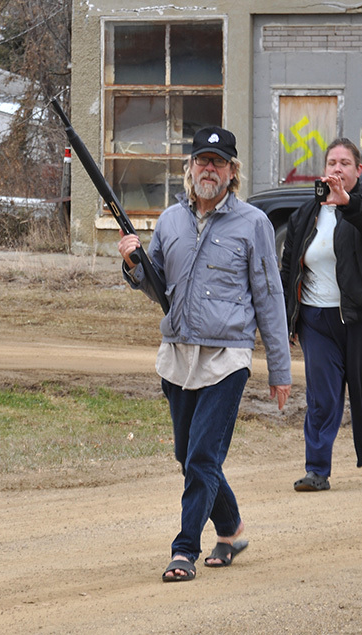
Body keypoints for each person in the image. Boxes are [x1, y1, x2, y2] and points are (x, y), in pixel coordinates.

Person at [118, 126, 292, 583]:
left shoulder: (253, 223)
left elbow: (270, 299)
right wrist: (133, 263)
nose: (208, 168)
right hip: (177, 354)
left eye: (218, 162)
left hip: (227, 358)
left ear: (232, 172)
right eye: (201, 160)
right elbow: (154, 287)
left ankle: (184, 550)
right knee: (188, 454)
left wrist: (279, 369)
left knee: (200, 459)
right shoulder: (170, 220)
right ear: (189, 167)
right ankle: (232, 531)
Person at [280, 138, 362, 493]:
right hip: (317, 321)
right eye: (332, 162)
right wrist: (290, 318)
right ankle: (317, 470)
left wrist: (349, 203)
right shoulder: (306, 214)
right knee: (323, 396)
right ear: (324, 170)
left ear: (358, 170)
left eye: (345, 163)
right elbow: (290, 266)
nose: (337, 168)